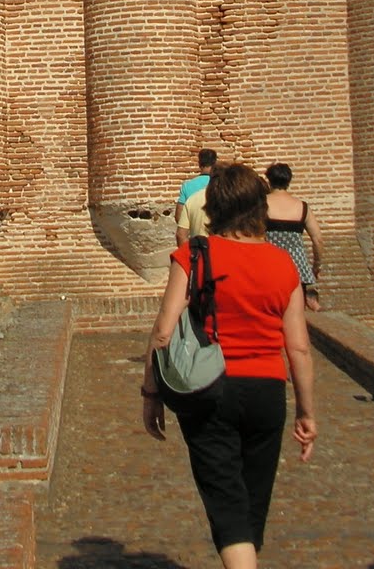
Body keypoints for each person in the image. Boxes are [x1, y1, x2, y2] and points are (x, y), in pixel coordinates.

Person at [143, 163, 317, 569]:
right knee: (251, 506)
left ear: (213, 209)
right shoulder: (282, 265)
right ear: (260, 209)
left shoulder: (194, 255)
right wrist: (307, 412)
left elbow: (163, 333)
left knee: (226, 504)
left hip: (210, 391)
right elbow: (300, 348)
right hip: (267, 394)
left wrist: (151, 394)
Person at [262, 163, 324, 311]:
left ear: (269, 180)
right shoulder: (302, 207)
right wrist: (316, 265)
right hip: (297, 267)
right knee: (296, 312)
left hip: (269, 265)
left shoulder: (261, 204)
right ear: (289, 181)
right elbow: (318, 239)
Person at [175, 148, 219, 246]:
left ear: (199, 164)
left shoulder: (187, 186)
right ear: (215, 163)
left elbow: (179, 217)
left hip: (197, 243)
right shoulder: (221, 185)